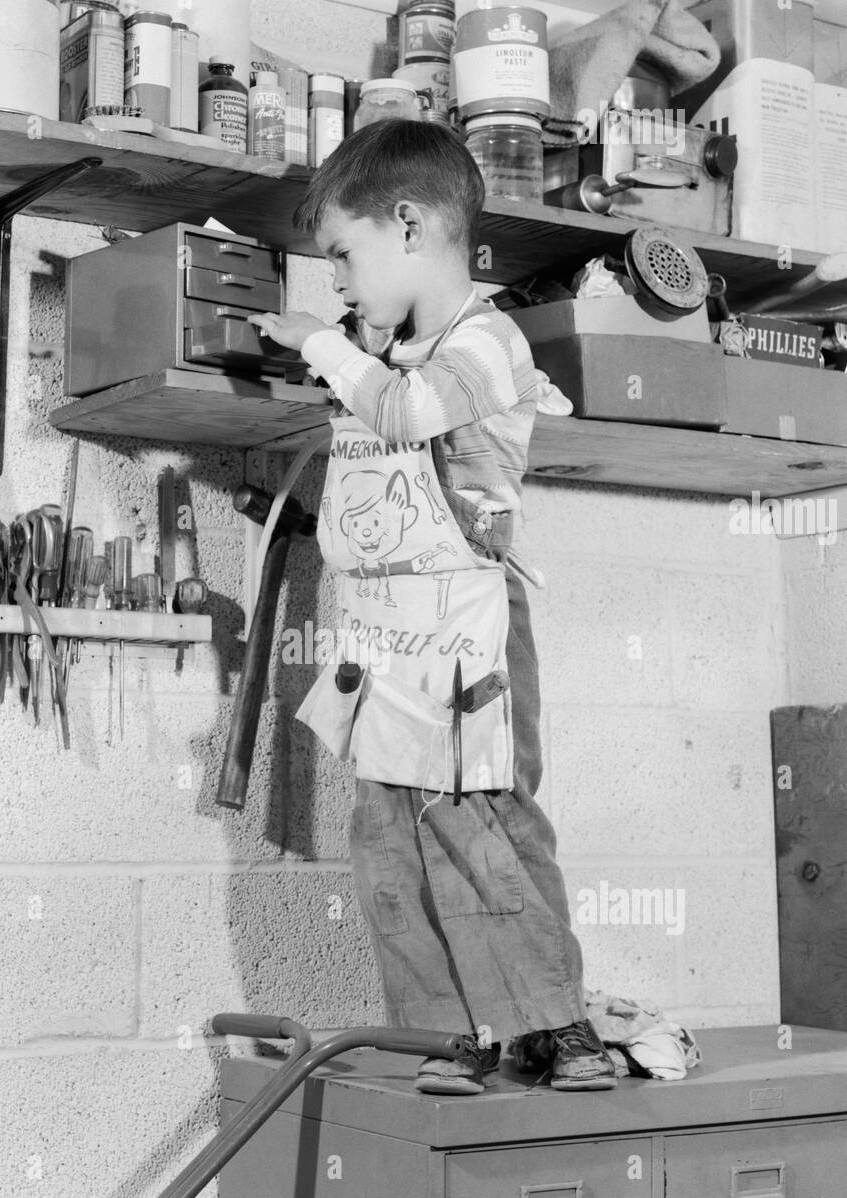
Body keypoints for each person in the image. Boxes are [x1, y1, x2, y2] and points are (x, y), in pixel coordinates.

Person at [247, 119, 615, 1096]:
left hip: (465, 631)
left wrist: (324, 345)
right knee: (385, 848)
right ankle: (448, 1037)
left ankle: (556, 1025)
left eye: (342, 255)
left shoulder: (487, 341)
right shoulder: (392, 350)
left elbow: (407, 418)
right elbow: (373, 469)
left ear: (407, 225)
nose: (335, 283)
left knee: (478, 831)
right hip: (382, 640)